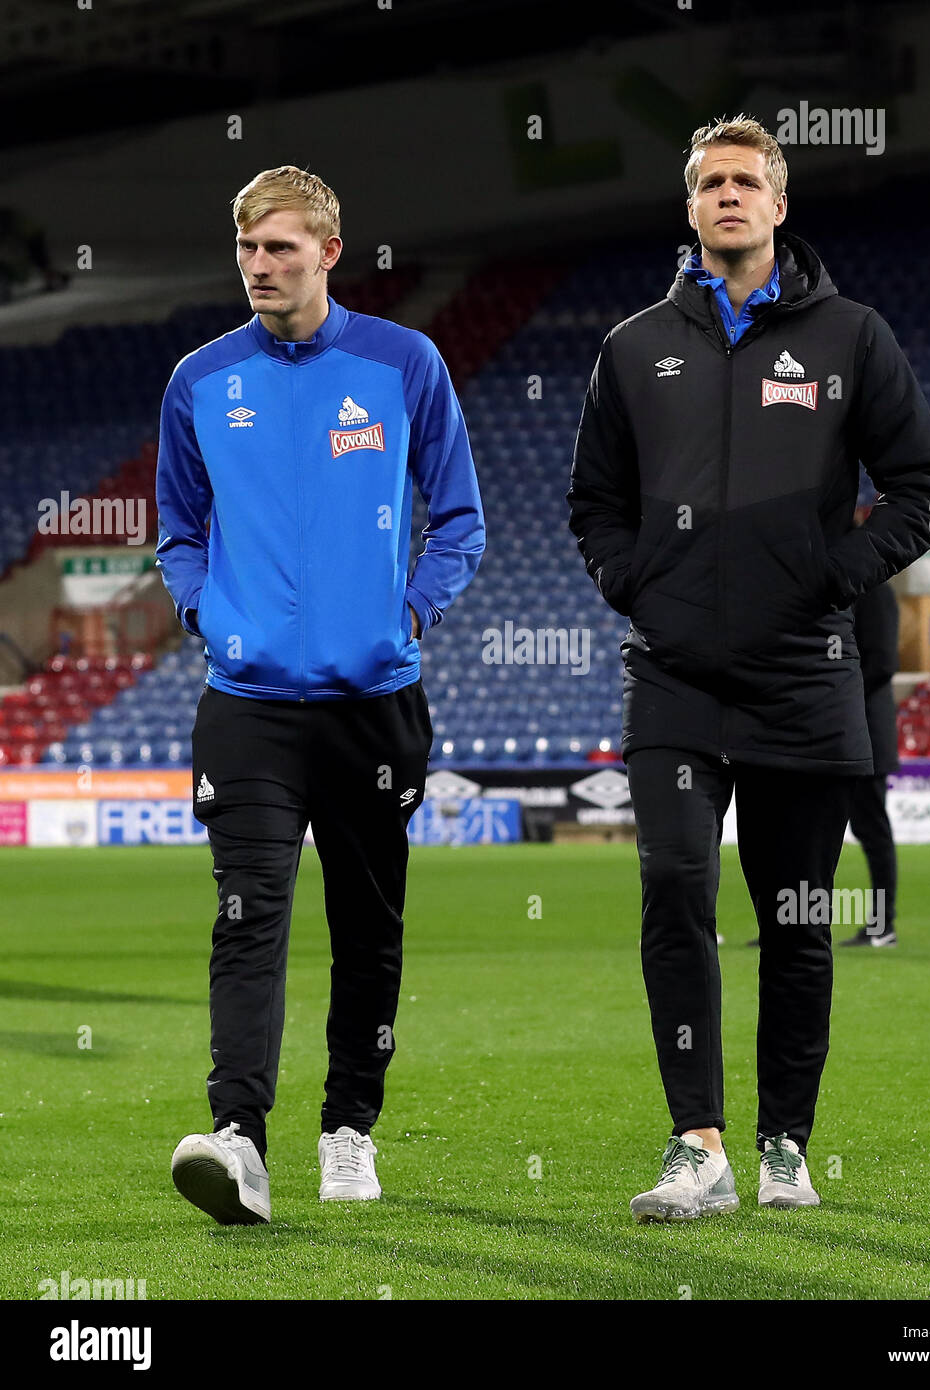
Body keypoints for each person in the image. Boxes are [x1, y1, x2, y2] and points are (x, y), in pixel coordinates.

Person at [567, 115, 930, 1221]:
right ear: (690, 208)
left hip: (801, 675)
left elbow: (922, 486)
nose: (728, 195)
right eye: (710, 183)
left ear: (778, 205)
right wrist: (634, 583)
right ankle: (697, 1144)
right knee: (672, 887)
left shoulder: (850, 336)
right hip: (674, 675)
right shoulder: (633, 346)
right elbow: (592, 501)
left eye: (746, 181)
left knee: (794, 919)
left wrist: (837, 574)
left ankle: (785, 1143)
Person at [156, 166, 485, 1225]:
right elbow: (178, 531)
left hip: (372, 703)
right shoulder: (200, 379)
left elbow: (460, 520)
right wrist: (207, 613)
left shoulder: (403, 362)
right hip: (246, 704)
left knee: (366, 928)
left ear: (329, 253)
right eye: (247, 248)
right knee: (246, 919)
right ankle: (239, 1137)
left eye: (281, 248)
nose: (259, 266)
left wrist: (409, 616)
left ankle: (348, 1127)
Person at [840, 512, 900, 948]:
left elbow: (881, 663)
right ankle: (789, 925)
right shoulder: (846, 581)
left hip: (865, 732)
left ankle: (883, 924)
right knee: (803, 829)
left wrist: (832, 692)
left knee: (871, 828)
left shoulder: (873, 586)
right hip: (838, 728)